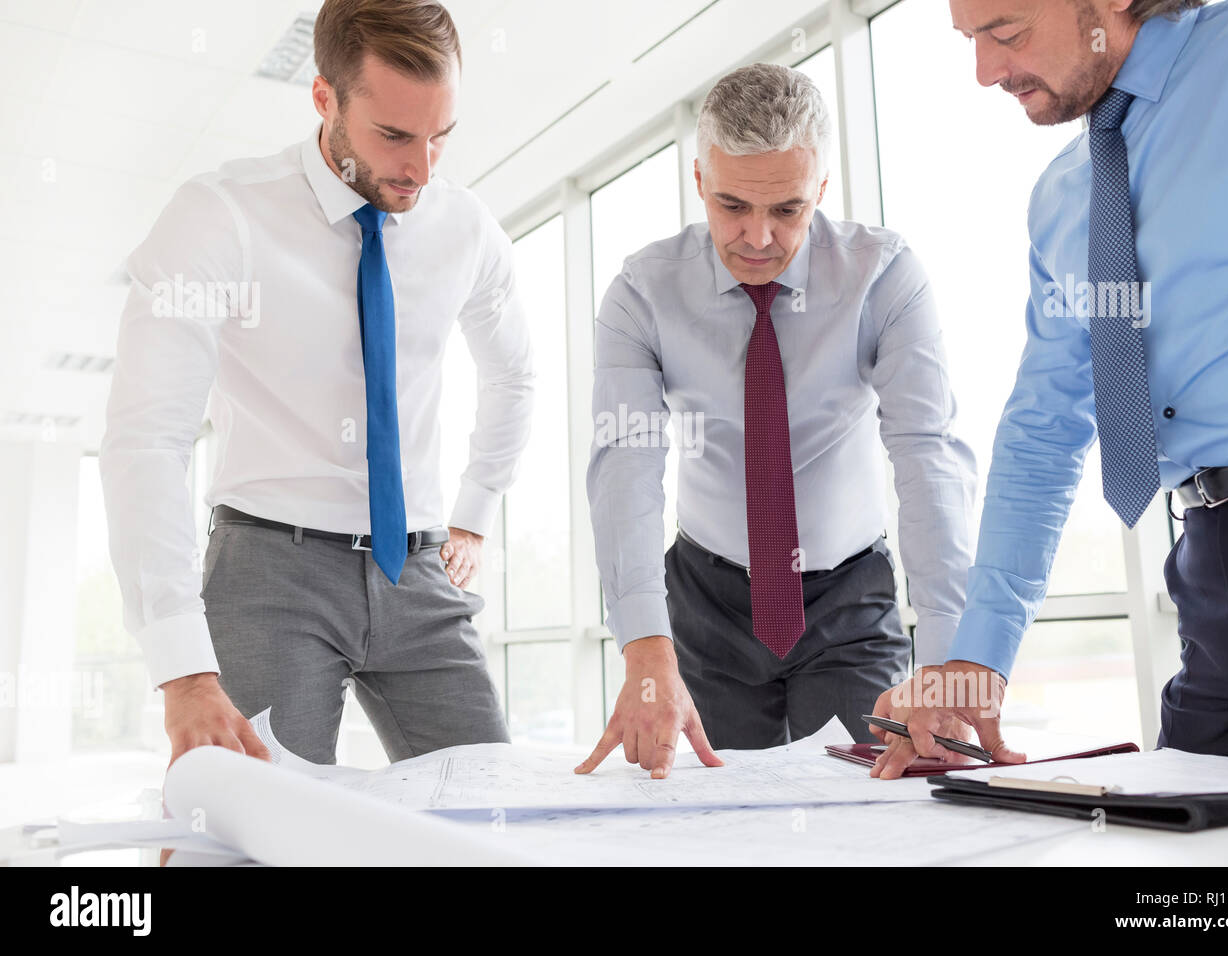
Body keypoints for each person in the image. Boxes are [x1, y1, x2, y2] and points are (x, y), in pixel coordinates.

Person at [871, 0, 1228, 777]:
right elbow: (1043, 430)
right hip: (1214, 567)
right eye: (971, 43)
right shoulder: (1065, 195)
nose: (985, 73)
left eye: (1006, 33)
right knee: (1199, 871)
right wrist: (977, 662)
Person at [100, 0, 534, 766]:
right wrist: (182, 665)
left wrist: (475, 509)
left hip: (420, 570)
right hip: (271, 570)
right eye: (395, 136)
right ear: (325, 99)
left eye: (441, 137)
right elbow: (148, 437)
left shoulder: (463, 226)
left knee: (489, 807)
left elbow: (515, 371)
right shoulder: (220, 215)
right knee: (245, 828)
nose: (422, 170)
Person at [578, 63, 978, 779]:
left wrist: (947, 659)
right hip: (706, 602)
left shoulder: (883, 277)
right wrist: (644, 646)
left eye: (787, 210)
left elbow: (928, 454)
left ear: (821, 189)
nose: (758, 237)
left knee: (882, 797)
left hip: (848, 599)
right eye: (733, 205)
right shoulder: (643, 293)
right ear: (698, 179)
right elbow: (627, 467)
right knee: (710, 821)